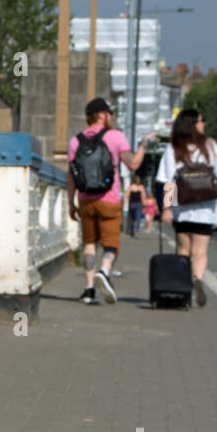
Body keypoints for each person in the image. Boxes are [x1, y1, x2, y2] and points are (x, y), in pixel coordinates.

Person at [68, 98, 157, 304]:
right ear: (101, 115)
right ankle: (104, 272)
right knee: (111, 245)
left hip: (85, 199)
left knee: (89, 243)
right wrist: (143, 146)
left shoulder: (76, 141)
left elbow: (71, 175)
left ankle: (89, 289)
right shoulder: (115, 136)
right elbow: (133, 164)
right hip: (109, 199)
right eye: (110, 113)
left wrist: (70, 203)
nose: (112, 117)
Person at [158, 108, 217, 308]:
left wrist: (166, 208)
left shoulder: (174, 149)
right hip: (205, 207)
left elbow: (169, 183)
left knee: (183, 250)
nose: (203, 123)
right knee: (200, 251)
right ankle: (198, 278)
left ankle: (183, 288)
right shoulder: (211, 146)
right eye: (200, 120)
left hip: (183, 207)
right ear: (193, 124)